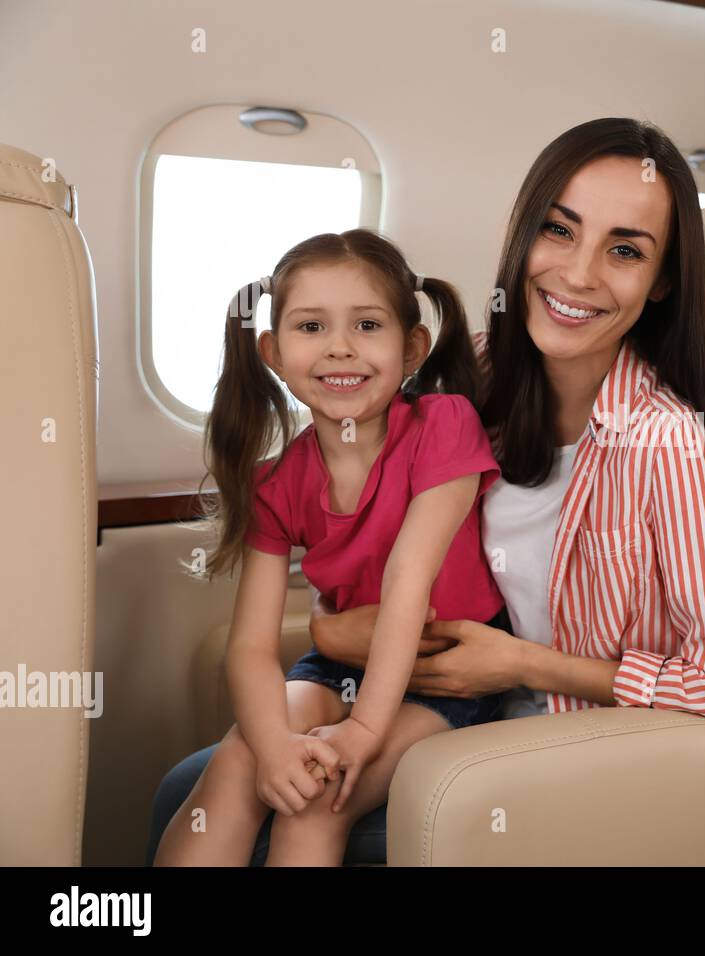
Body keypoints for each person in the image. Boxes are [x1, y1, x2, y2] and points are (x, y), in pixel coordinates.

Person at [147, 117, 705, 865]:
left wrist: (519, 663)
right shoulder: (472, 379)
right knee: (194, 783)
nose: (578, 274)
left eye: (625, 250)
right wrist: (328, 629)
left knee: (308, 804)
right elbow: (367, 526)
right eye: (559, 231)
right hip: (420, 680)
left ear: (661, 282)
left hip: (568, 729)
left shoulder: (664, 440)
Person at [153, 230, 506, 866]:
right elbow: (253, 647)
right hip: (335, 671)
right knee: (240, 760)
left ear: (412, 348)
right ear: (274, 352)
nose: (340, 347)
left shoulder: (444, 425)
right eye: (311, 326)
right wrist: (272, 744)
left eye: (368, 325)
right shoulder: (276, 481)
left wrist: (363, 731)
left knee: (320, 799)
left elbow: (407, 585)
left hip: (445, 682)